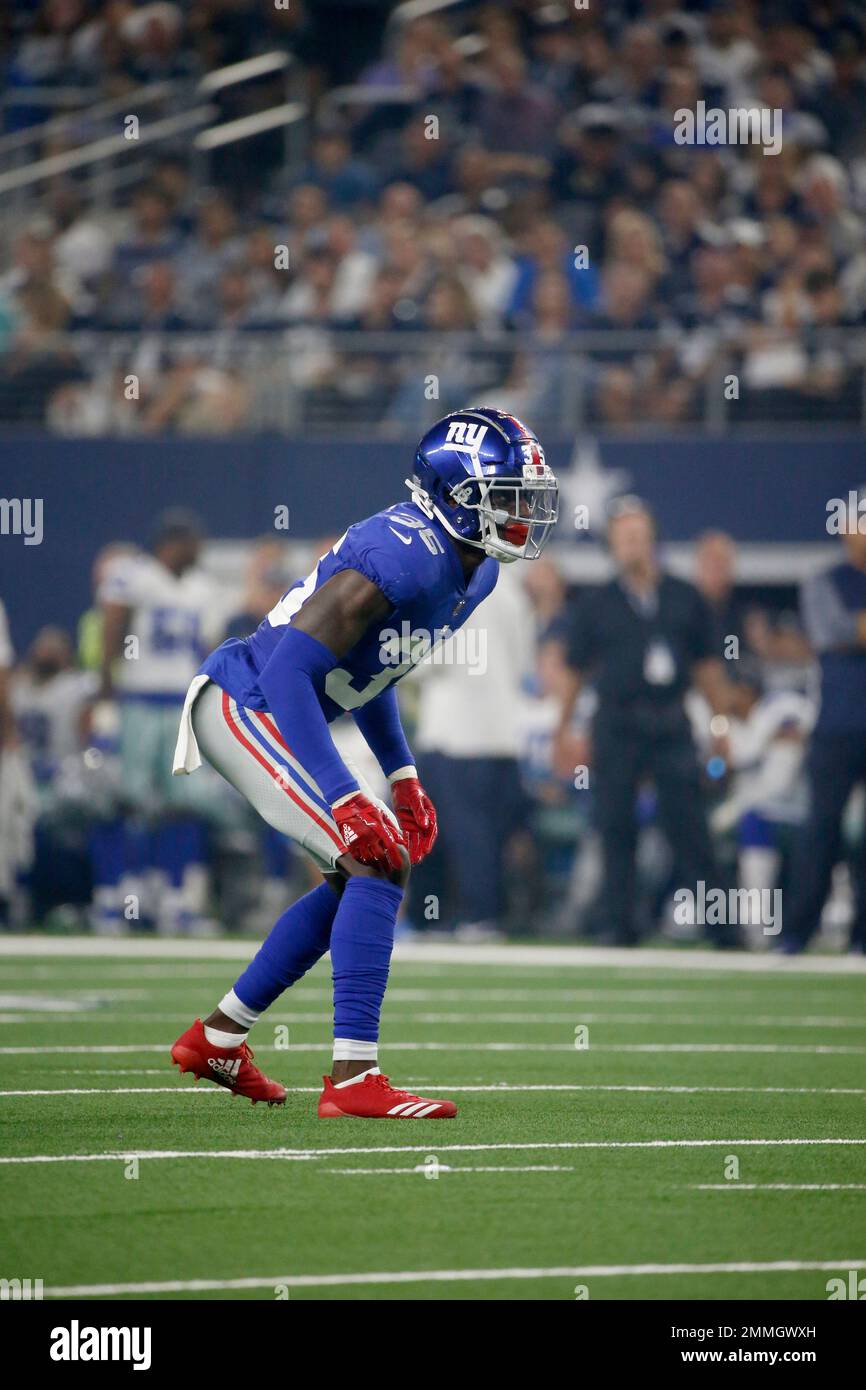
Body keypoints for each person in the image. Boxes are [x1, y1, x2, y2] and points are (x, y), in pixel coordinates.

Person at [169, 408, 558, 1116]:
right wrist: (348, 794)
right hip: (249, 702)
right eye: (507, 497)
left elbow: (372, 673)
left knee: (362, 869)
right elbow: (290, 671)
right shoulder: (407, 554)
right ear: (456, 496)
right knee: (374, 858)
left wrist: (404, 778)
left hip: (283, 709)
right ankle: (353, 1077)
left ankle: (220, 1037)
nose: (524, 514)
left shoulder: (476, 573)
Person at [553, 496, 734, 945]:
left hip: (671, 721)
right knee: (615, 825)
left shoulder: (684, 596)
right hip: (616, 723)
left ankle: (723, 928)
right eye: (621, 537)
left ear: (652, 538)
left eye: (637, 534)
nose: (630, 544)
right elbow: (575, 674)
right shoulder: (597, 603)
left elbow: (709, 670)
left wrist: (721, 727)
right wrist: (565, 729)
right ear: (611, 546)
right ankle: (619, 926)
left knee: (689, 825)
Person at [783, 520, 866, 952]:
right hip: (838, 726)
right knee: (820, 829)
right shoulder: (824, 582)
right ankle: (798, 929)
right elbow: (833, 631)